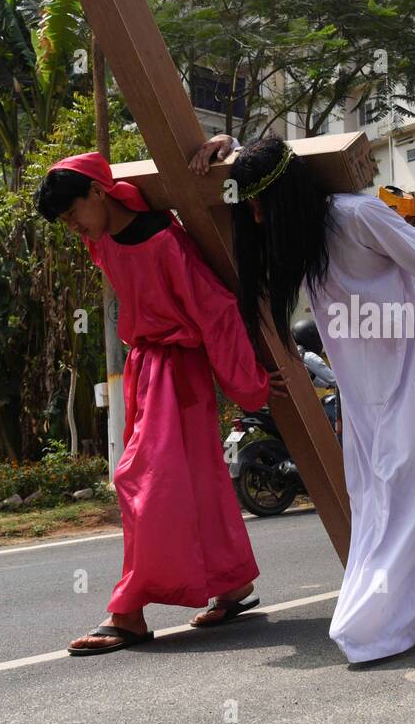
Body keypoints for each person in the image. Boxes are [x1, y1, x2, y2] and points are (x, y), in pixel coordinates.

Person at [226, 136, 415, 664]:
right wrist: (227, 147)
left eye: (260, 206)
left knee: (412, 487)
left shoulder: (359, 215)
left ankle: (377, 620)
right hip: (360, 383)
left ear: (281, 197)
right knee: (375, 493)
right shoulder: (298, 237)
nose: (257, 219)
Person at [36, 148, 282, 655]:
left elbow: (216, 309)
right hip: (147, 369)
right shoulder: (101, 240)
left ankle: (127, 612)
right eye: (64, 222)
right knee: (196, 483)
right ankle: (232, 583)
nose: (73, 227)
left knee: (142, 482)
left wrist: (251, 383)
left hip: (178, 373)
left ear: (98, 193)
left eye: (73, 213)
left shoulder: (165, 240)